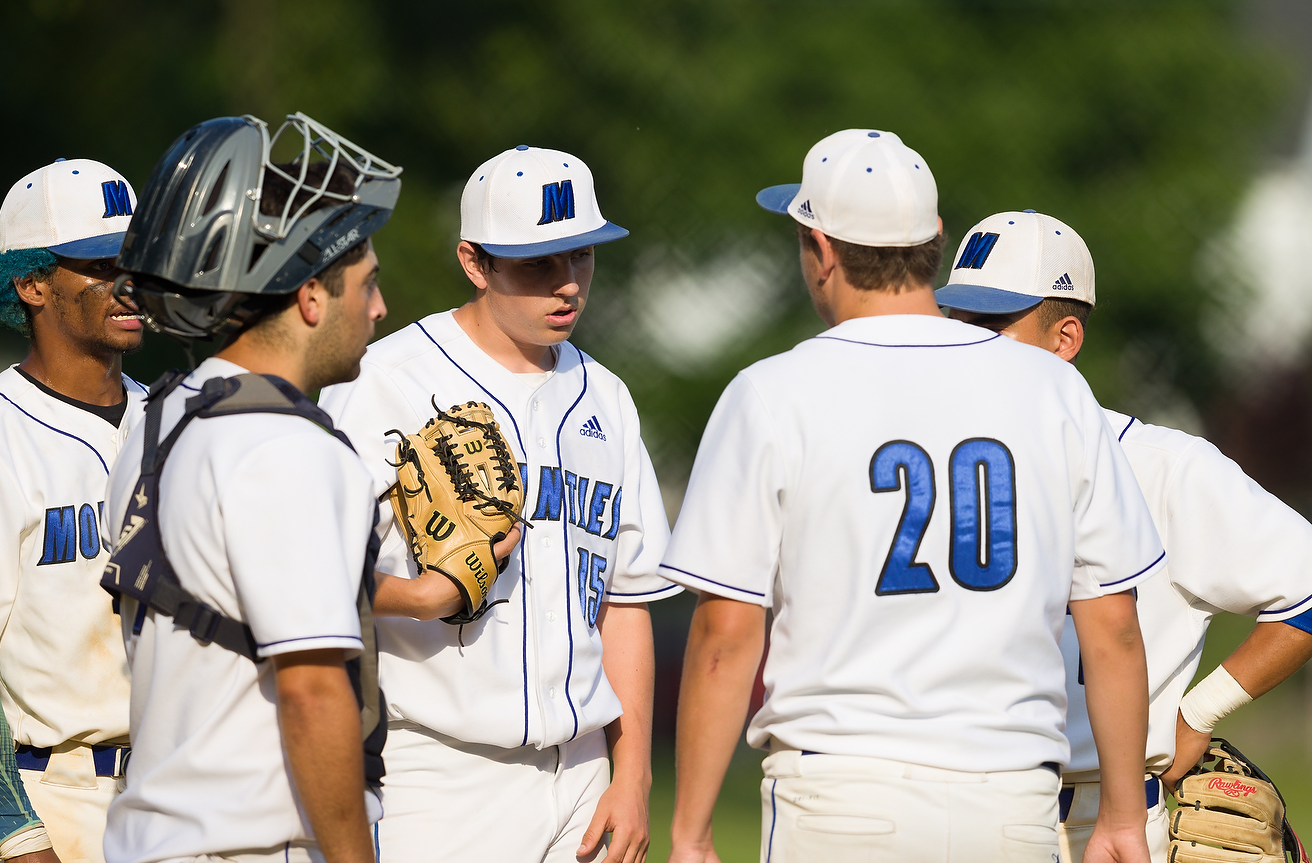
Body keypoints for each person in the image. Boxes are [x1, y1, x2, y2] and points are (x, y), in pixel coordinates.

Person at [659, 129, 1164, 863]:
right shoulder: (1056, 390)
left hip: (840, 797)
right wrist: (1121, 818)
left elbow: (726, 636)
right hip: (1012, 800)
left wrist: (691, 831)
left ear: (821, 249)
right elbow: (1112, 627)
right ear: (933, 237)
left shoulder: (771, 392)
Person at [318, 144, 678, 863]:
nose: (568, 283)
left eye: (581, 255)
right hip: (440, 775)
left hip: (583, 773)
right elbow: (302, 574)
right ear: (475, 262)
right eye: (537, 264)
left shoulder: (606, 396)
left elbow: (627, 602)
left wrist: (632, 774)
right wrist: (419, 596)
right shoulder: (383, 383)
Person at [936, 209, 1312, 863]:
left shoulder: (1164, 466)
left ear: (1065, 337)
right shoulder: (920, 462)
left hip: (1110, 825)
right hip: (954, 814)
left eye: (995, 323)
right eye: (961, 319)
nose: (969, 340)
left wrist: (1199, 713)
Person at [100, 113, 405, 863]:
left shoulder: (162, 417)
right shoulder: (290, 450)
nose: (379, 308)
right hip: (247, 846)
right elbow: (311, 691)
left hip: (153, 835)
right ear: (309, 298)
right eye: (365, 285)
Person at [0, 158, 145, 863]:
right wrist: (18, 834)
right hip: (57, 799)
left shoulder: (174, 419)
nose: (129, 284)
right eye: (102, 264)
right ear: (33, 282)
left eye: (138, 260)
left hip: (181, 794)